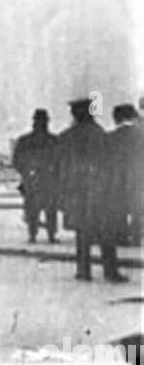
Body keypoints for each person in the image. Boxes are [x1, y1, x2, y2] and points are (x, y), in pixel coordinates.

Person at [56, 96, 122, 282]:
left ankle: (83, 271)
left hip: (75, 192)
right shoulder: (100, 134)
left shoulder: (65, 137)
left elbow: (59, 166)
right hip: (99, 189)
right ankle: (110, 271)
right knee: (105, 231)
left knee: (82, 232)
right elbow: (110, 164)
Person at [12, 109, 59, 243]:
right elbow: (17, 161)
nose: (41, 124)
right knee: (47, 209)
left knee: (35, 208)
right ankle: (48, 234)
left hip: (34, 180)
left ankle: (35, 234)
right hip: (46, 180)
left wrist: (26, 172)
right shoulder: (53, 140)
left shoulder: (25, 140)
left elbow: (16, 161)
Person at [107, 104, 143, 248]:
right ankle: (136, 237)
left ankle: (122, 236)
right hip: (138, 176)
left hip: (117, 177)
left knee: (119, 208)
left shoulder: (110, 137)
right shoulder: (141, 135)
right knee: (137, 208)